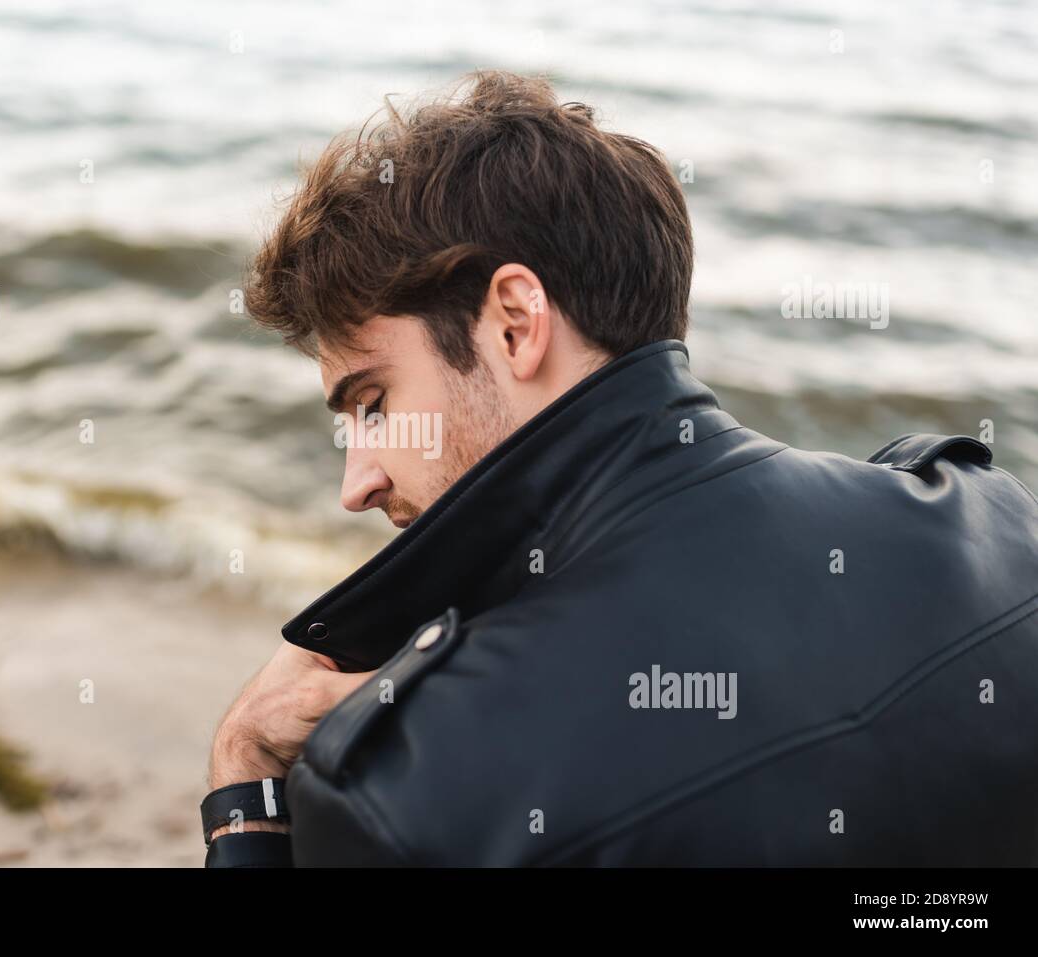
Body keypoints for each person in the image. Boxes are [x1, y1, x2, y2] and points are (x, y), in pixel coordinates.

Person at [199, 71, 1038, 867]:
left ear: (516, 324)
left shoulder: (417, 797)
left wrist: (246, 790)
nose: (358, 484)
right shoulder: (995, 529)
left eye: (373, 402)